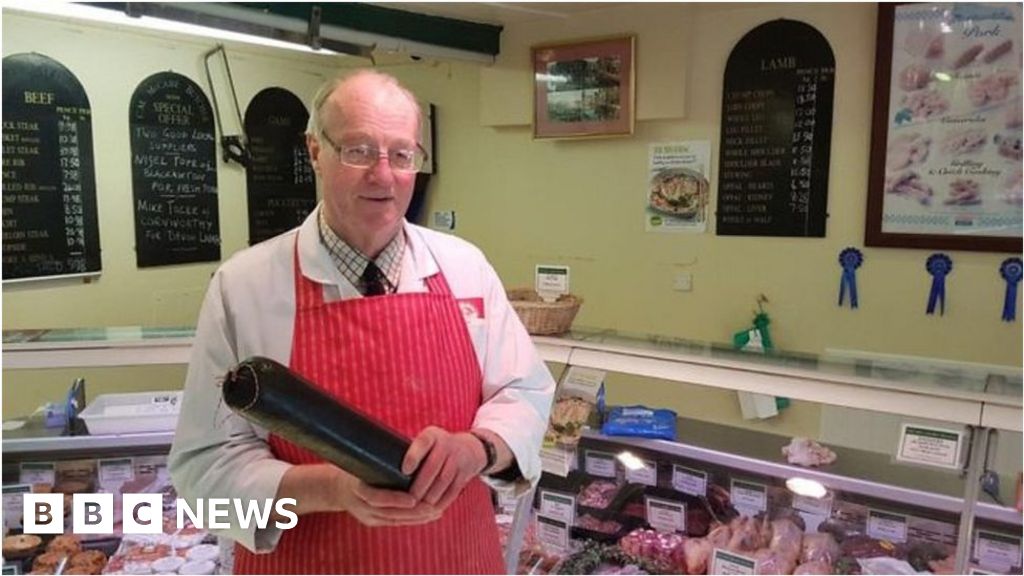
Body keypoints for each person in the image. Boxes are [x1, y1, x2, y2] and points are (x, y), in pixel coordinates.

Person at [169, 70, 555, 574]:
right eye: (358, 150)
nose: (383, 174)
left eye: (401, 155)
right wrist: (331, 489)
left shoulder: (466, 269)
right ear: (314, 152)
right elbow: (203, 478)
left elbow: (523, 393)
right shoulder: (243, 287)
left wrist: (477, 449)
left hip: (456, 559)